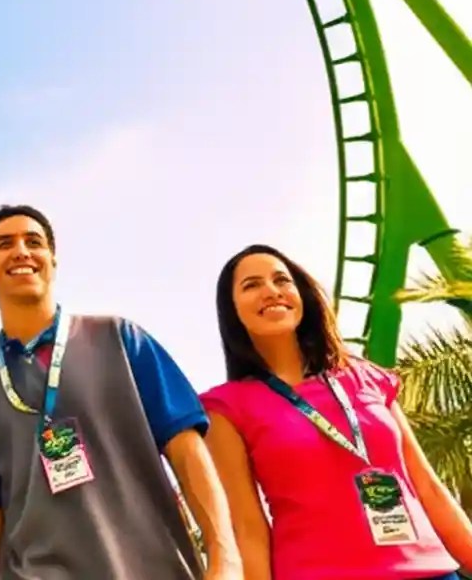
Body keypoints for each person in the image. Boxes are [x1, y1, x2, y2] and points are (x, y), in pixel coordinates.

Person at [0, 204, 242, 580]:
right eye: (4, 244)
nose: (21, 251)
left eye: (33, 242)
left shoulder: (120, 339)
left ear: (53, 261)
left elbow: (187, 452)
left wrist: (225, 558)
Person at [199, 243, 472, 580]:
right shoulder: (226, 407)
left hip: (431, 572)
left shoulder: (367, 377)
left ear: (301, 294)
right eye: (251, 285)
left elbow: (428, 488)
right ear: (232, 311)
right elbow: (248, 528)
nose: (271, 291)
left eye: (281, 280)